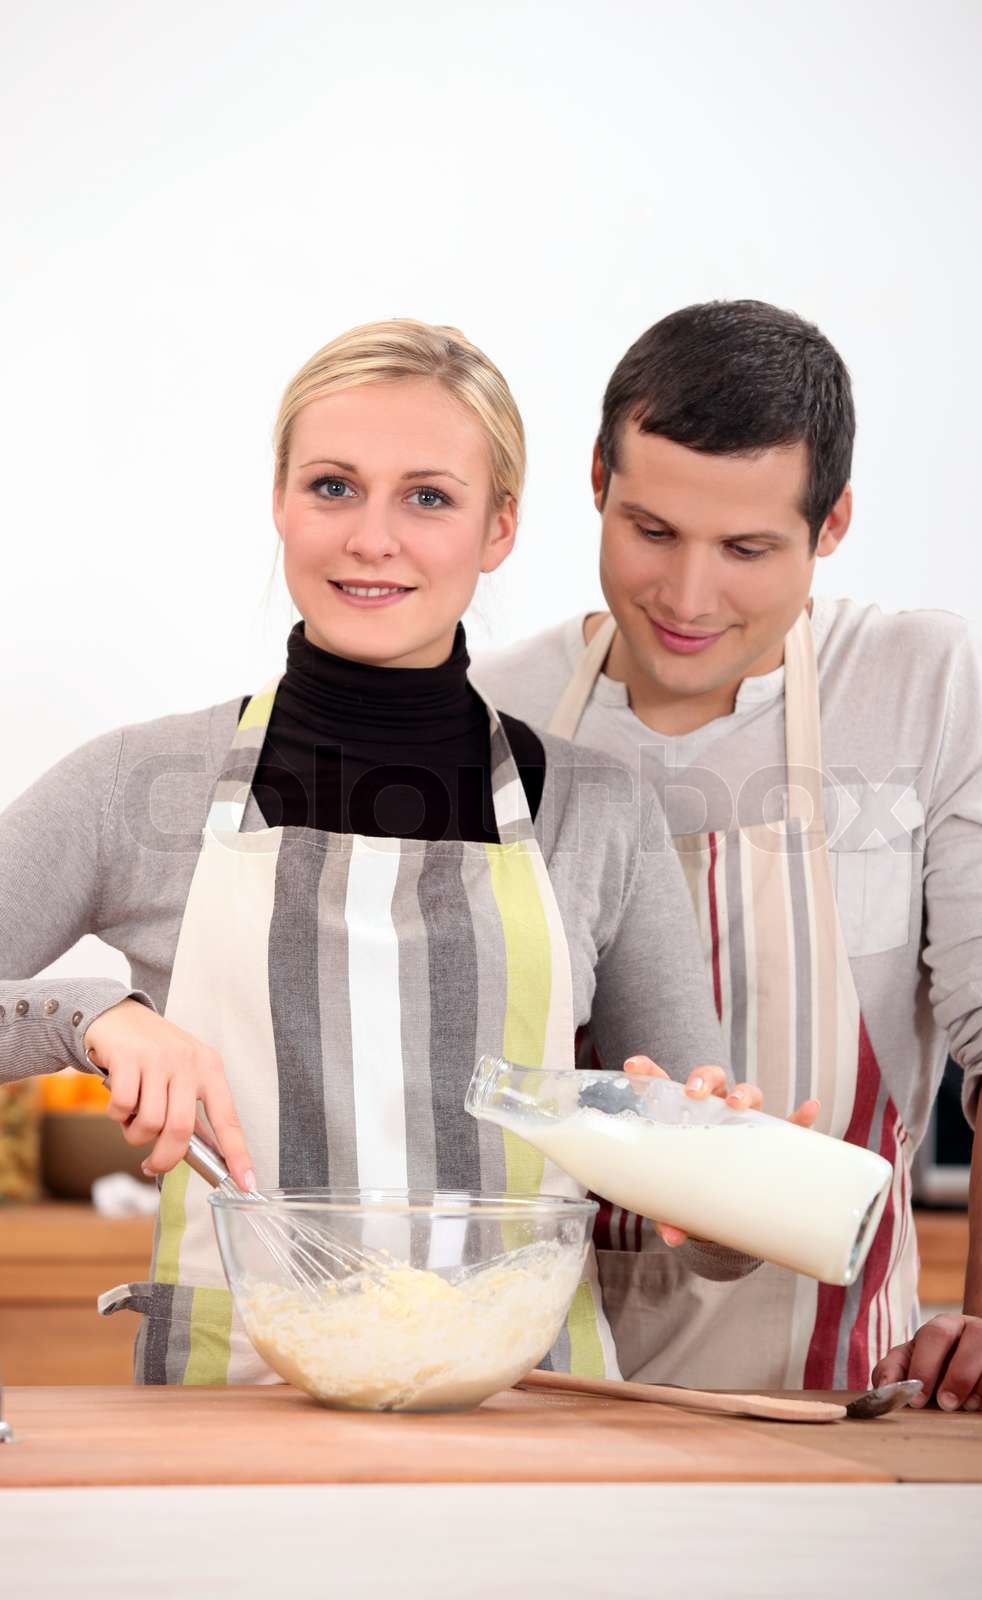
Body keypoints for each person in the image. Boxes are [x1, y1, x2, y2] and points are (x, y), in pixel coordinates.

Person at [0, 318, 813, 1387]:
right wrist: (91, 1016)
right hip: (231, 1421)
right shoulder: (136, 787)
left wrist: (729, 1181)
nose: (371, 538)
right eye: (333, 486)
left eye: (427, 496)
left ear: (498, 527)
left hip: (529, 1421)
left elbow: (714, 1240)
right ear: (280, 502)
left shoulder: (597, 812)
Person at [474, 300, 982, 1410]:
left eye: (746, 548)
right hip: (525, 1391)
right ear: (595, 478)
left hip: (836, 1389)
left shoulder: (916, 682)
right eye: (650, 531)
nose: (686, 598)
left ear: (829, 521)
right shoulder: (492, 707)